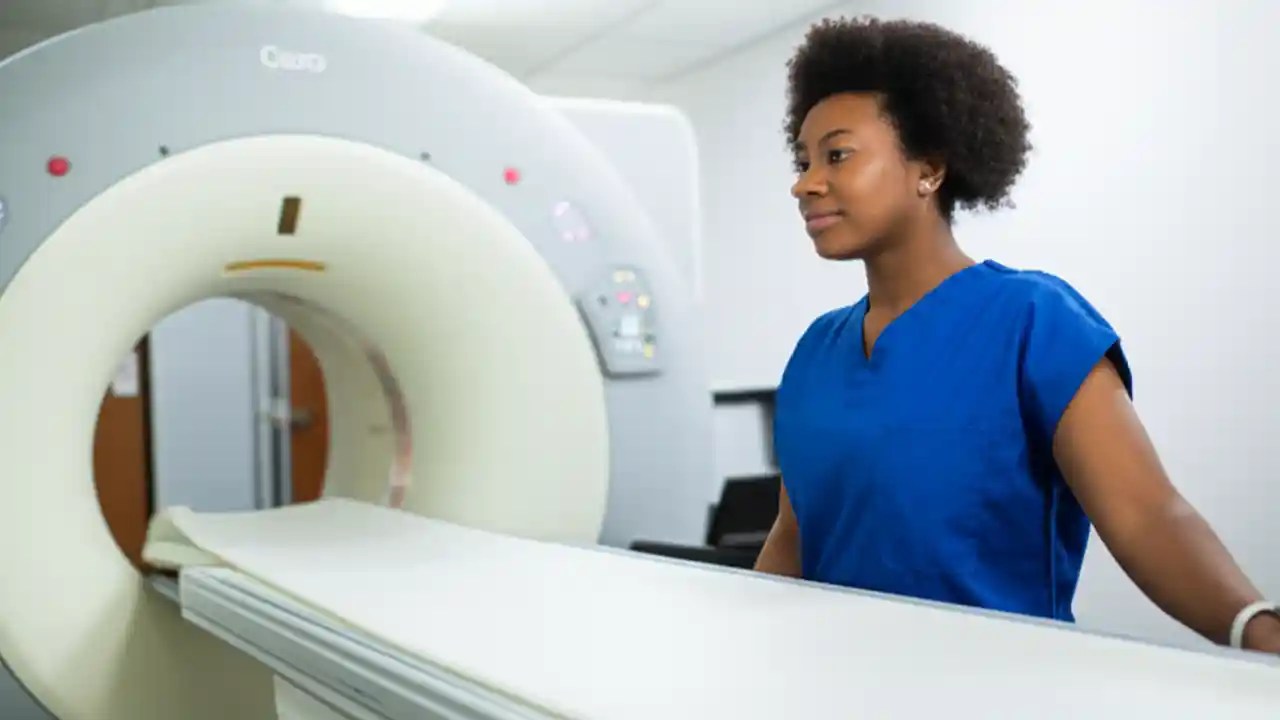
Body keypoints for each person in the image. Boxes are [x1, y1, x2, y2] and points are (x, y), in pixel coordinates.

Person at [753, 15, 1280, 655]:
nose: (804, 182)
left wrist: (1256, 629)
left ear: (930, 169)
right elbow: (793, 538)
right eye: (803, 160)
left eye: (836, 155)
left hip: (1003, 689)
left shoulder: (1033, 321)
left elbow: (1147, 516)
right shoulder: (816, 352)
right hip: (832, 687)